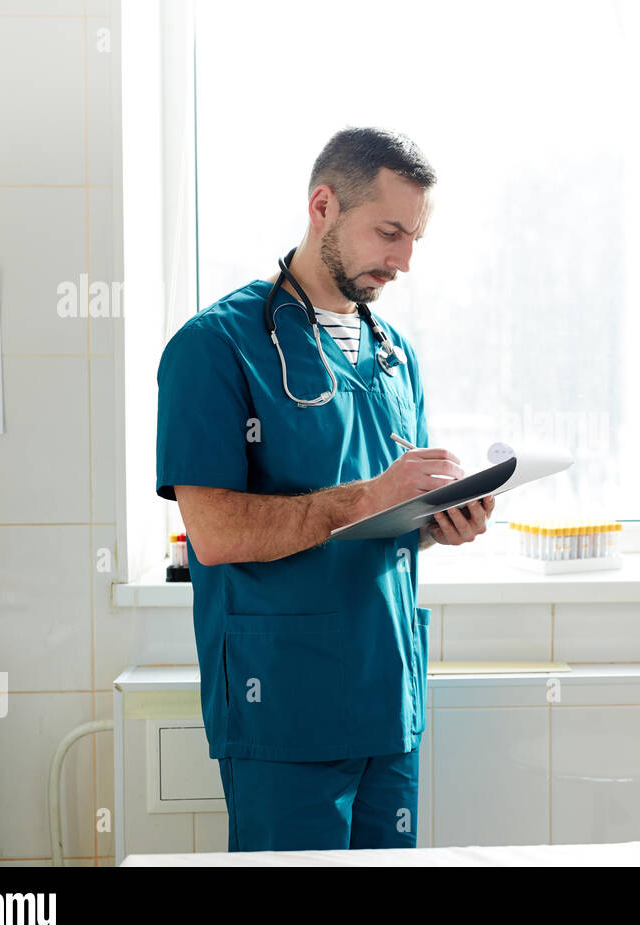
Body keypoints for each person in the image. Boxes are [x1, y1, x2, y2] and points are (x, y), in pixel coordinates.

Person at [155, 126, 494, 851]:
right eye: (389, 233)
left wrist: (440, 519)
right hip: (283, 701)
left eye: (415, 240)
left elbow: (386, 513)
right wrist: (368, 496)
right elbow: (213, 534)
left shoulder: (394, 356)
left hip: (387, 692)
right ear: (322, 206)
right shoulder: (214, 348)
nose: (403, 260)